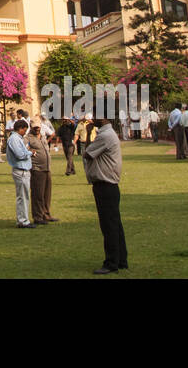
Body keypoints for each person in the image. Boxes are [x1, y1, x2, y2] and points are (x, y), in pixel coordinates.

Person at [83, 116, 126, 274]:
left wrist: (88, 135)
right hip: (110, 185)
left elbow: (87, 154)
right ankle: (121, 259)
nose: (92, 118)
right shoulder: (109, 134)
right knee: (115, 224)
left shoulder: (104, 136)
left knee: (108, 225)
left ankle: (111, 262)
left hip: (105, 185)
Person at [5, 119, 35, 228]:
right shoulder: (14, 139)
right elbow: (19, 154)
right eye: (24, 130)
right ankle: (23, 221)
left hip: (24, 170)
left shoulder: (18, 138)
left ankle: (24, 219)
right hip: (20, 170)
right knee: (22, 197)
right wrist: (30, 153)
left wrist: (28, 152)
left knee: (24, 196)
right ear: (20, 128)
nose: (25, 132)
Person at [26, 117, 56, 224]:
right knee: (38, 194)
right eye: (35, 127)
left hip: (47, 168)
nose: (37, 129)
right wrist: (29, 150)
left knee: (47, 194)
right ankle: (38, 216)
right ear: (31, 127)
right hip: (36, 169)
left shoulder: (42, 136)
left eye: (38, 127)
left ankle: (46, 214)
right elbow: (23, 149)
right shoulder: (28, 138)